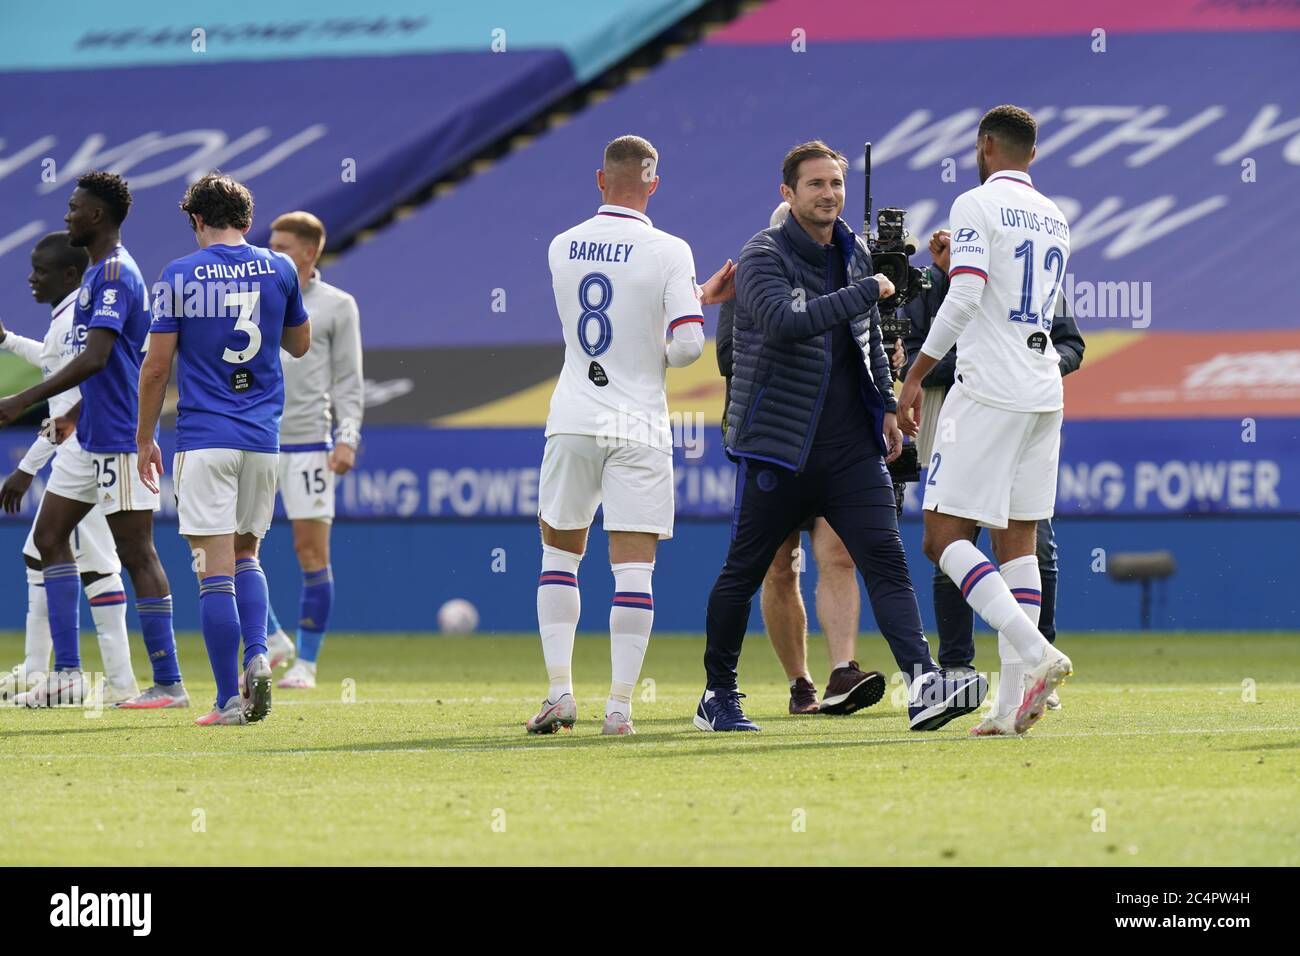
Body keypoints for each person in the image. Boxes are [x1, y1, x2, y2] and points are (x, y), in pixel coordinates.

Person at [697, 140, 987, 733]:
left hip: (849, 447)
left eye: (835, 184)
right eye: (815, 185)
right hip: (777, 445)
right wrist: (868, 290)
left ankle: (923, 682)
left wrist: (884, 404)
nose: (829, 194)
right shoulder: (761, 255)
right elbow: (785, 325)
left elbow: (869, 338)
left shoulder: (853, 250)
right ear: (788, 193)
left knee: (885, 560)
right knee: (746, 571)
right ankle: (719, 694)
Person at [528, 134, 735, 736]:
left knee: (559, 556)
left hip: (574, 416)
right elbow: (687, 344)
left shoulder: (561, 246)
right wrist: (692, 306)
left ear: (600, 180)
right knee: (634, 569)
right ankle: (619, 708)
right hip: (638, 422)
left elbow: (607, 314)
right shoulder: (670, 249)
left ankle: (560, 694)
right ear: (654, 183)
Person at [898, 105, 1074, 737]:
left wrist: (915, 375)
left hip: (988, 389)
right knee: (1017, 544)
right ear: (1032, 153)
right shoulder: (1055, 217)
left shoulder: (974, 204)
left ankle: (1038, 653)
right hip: (1043, 390)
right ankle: (1009, 707)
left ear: (985, 145)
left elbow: (968, 293)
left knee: (943, 538)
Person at [0, 171, 187, 709]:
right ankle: (66, 675)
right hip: (90, 435)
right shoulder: (99, 278)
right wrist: (74, 413)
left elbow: (98, 357)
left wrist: (23, 401)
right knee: (48, 539)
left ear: (98, 216)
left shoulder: (113, 275)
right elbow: (114, 365)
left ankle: (169, 683)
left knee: (137, 552)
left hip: (123, 437)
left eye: (74, 208)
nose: (68, 216)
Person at [137, 173, 311, 726]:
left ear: (196, 221)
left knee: (213, 570)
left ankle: (226, 700)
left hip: (205, 438)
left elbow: (157, 367)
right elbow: (300, 343)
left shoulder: (177, 276)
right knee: (248, 556)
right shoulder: (280, 267)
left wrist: (145, 438)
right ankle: (258, 652)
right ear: (247, 219)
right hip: (262, 439)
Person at [716, 201, 885, 717]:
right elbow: (727, 355)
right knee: (779, 568)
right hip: (775, 441)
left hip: (835, 442)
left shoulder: (846, 270)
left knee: (839, 555)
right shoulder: (757, 273)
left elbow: (870, 343)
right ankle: (800, 682)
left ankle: (841, 672)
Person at [903, 227, 1085, 704]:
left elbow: (1071, 345)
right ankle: (973, 673)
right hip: (968, 418)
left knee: (976, 544)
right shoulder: (937, 281)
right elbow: (913, 343)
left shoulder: (1029, 281)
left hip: (995, 409)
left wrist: (1031, 365)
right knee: (992, 548)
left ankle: (1033, 659)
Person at [0, 232, 138, 705]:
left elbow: (74, 402)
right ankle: (44, 671)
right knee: (44, 552)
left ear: (69, 275)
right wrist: (6, 339)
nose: (31, 279)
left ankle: (102, 680)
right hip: (87, 450)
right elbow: (54, 361)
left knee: (99, 566)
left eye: (39, 270)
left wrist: (28, 467)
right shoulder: (69, 317)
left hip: (91, 452)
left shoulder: (82, 314)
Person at [256, 211, 364, 691]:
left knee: (310, 551)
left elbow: (348, 379)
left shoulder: (338, 306)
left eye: (281, 246)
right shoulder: (252, 296)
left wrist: (348, 437)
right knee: (237, 544)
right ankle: (274, 636)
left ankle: (308, 663)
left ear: (309, 252)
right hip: (253, 438)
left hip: (307, 443)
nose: (271, 251)